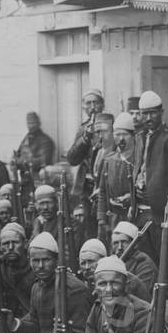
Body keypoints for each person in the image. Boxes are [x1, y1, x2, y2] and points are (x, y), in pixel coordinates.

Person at [134, 90, 168, 263]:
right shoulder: (139, 138)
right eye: (145, 113)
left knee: (165, 262)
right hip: (140, 211)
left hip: (160, 213)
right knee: (144, 260)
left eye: (153, 112)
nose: (149, 117)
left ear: (161, 112)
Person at [66, 88, 106, 238]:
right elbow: (72, 159)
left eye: (95, 102)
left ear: (102, 105)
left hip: (104, 185)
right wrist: (84, 139)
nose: (92, 107)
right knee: (89, 228)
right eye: (88, 104)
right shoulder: (83, 128)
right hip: (86, 187)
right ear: (83, 108)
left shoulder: (111, 124)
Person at [110, 220, 156, 290]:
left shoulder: (145, 264)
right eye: (116, 243)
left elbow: (140, 294)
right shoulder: (113, 261)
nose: (119, 247)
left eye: (124, 242)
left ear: (135, 244)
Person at [16, 112, 56, 181]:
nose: (30, 126)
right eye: (28, 123)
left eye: (33, 123)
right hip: (24, 177)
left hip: (39, 178)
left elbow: (44, 161)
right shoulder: (26, 138)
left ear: (39, 123)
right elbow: (17, 154)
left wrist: (22, 161)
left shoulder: (46, 140)